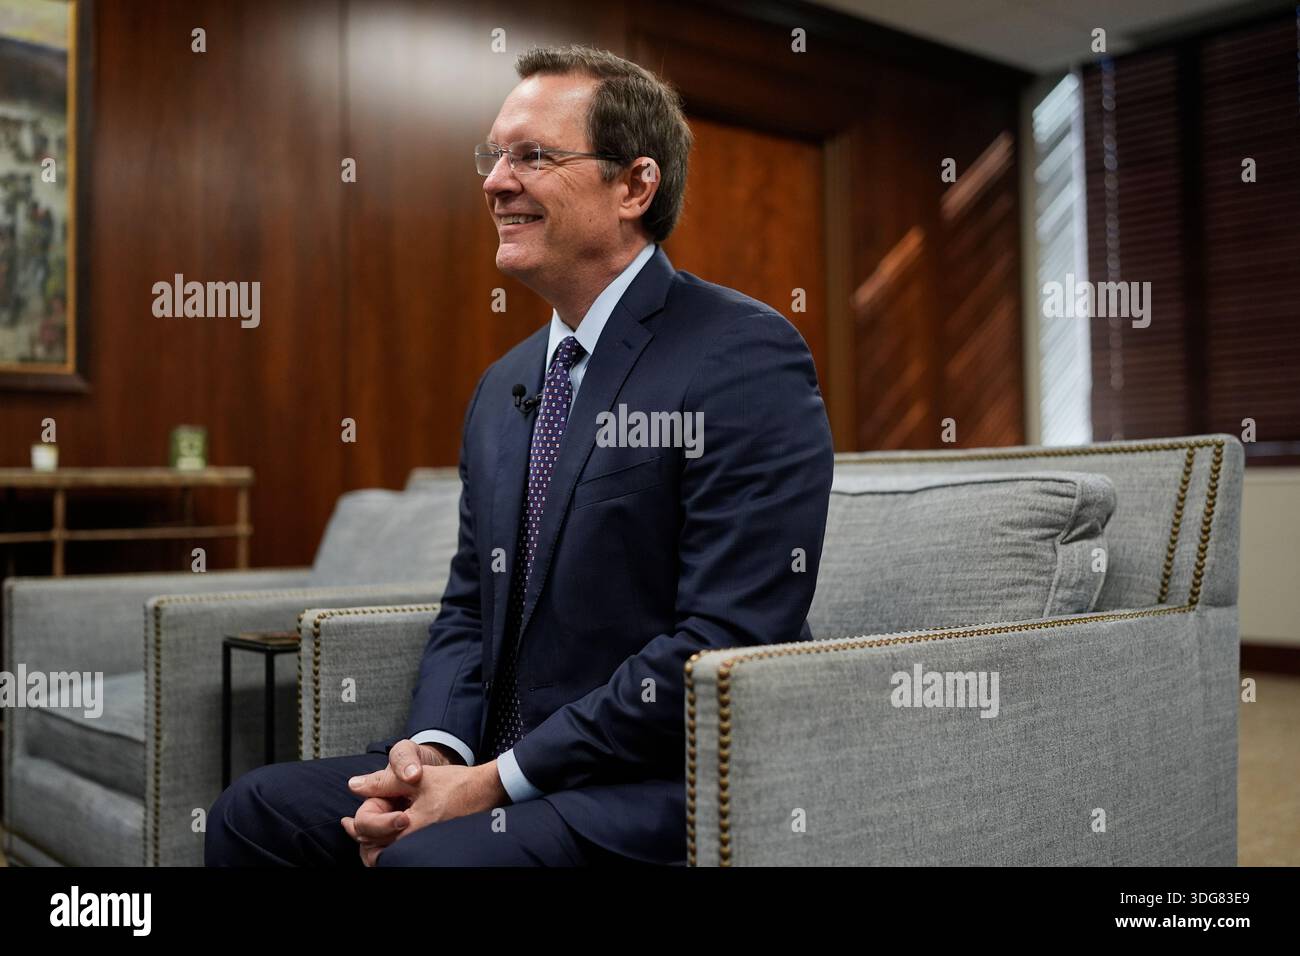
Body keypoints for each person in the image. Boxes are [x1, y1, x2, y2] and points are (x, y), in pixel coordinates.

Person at [206, 43, 833, 867]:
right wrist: (434, 754)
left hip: (649, 783)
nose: (495, 181)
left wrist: (499, 782)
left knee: (424, 862)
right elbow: (469, 606)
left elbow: (725, 636)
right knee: (252, 812)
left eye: (532, 155)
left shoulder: (743, 355)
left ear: (634, 186)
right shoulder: (504, 386)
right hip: (486, 769)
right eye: (493, 155)